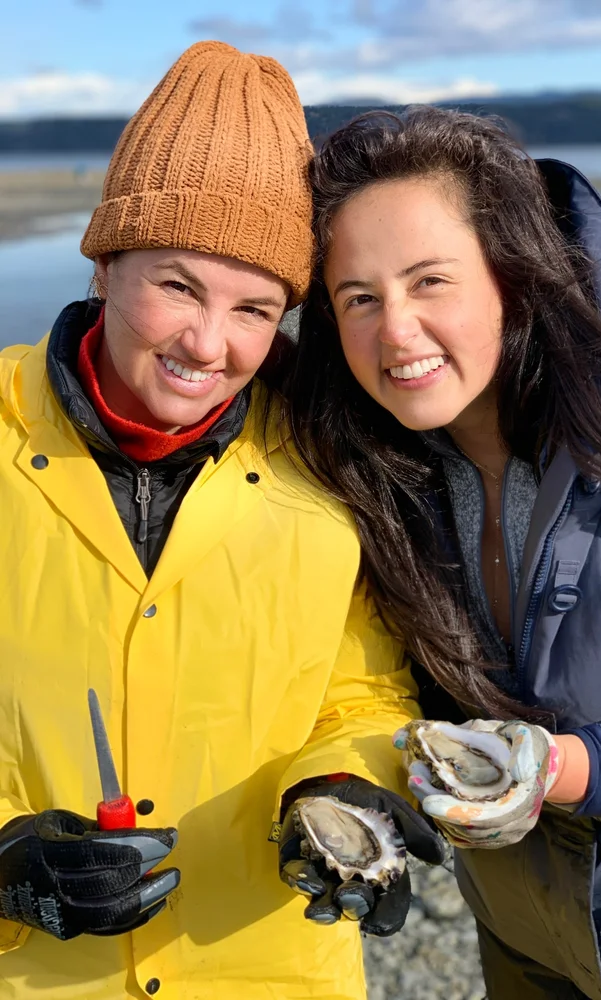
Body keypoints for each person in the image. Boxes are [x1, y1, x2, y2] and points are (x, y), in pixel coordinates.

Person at [0, 46, 442, 1000]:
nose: (210, 344)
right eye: (178, 285)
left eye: (256, 307)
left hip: (268, 969)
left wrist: (342, 792)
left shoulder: (327, 467)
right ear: (107, 260)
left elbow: (363, 697)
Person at [286, 106, 601, 1000]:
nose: (397, 331)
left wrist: (561, 769)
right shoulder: (376, 466)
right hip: (519, 934)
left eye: (431, 281)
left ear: (514, 275)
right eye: (359, 298)